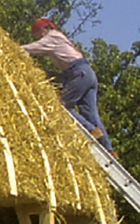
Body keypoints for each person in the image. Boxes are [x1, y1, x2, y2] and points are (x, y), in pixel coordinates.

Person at [20, 18, 113, 151]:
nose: (38, 38)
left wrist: (13, 48)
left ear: (43, 30)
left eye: (37, 35)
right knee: (91, 113)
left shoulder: (51, 37)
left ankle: (91, 129)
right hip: (87, 73)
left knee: (61, 106)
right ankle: (108, 149)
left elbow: (32, 49)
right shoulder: (59, 37)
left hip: (78, 72)